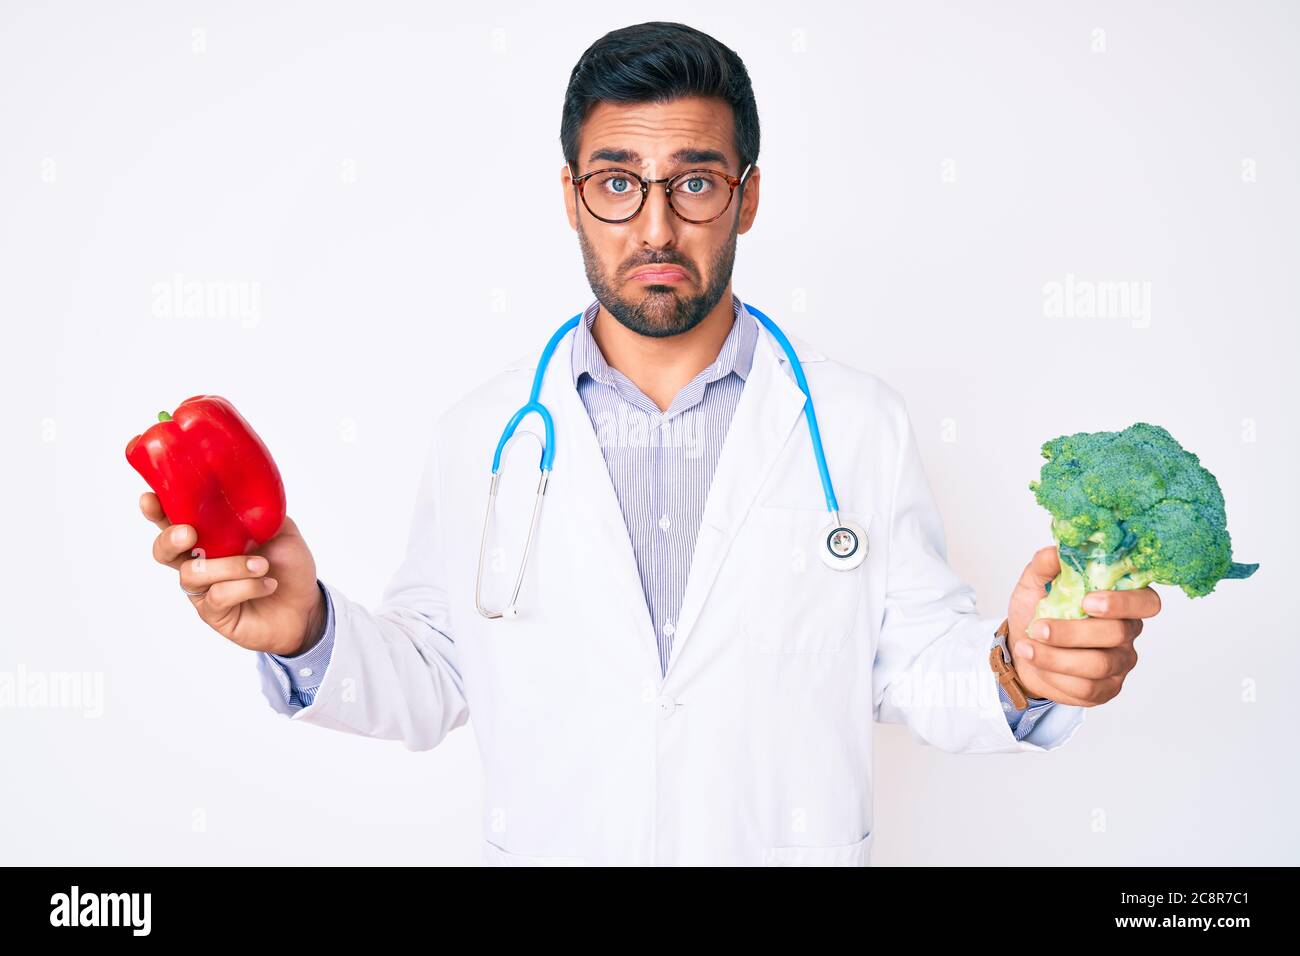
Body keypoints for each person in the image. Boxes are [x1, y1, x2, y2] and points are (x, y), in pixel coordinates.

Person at [136, 21, 1158, 866]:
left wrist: (1021, 667)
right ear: (573, 194)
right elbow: (439, 675)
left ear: (747, 196)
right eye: (618, 183)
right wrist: (306, 627)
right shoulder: (478, 436)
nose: (656, 227)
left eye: (696, 182)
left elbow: (913, 665)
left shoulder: (854, 425)